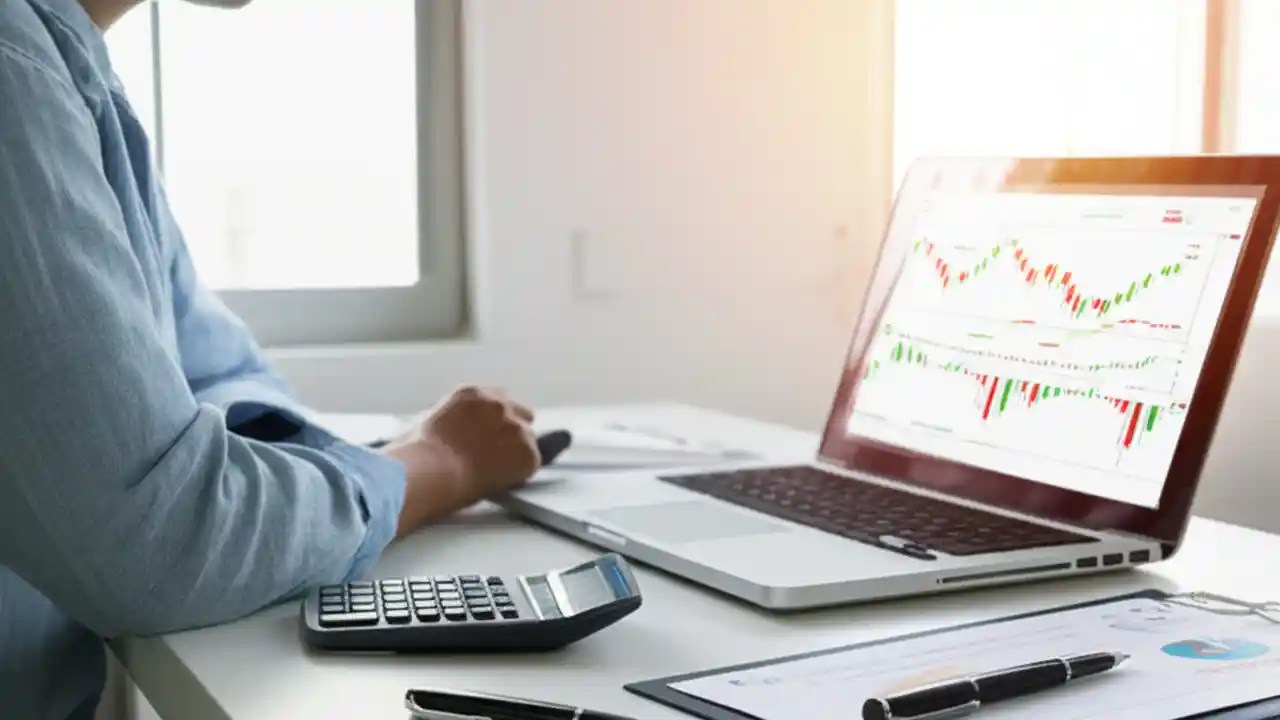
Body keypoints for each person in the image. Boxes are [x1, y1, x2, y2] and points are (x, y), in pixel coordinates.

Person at [0, 1, 543, 718]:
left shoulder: (67, 66)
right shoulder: (15, 70)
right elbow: (152, 543)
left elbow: (222, 375)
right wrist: (438, 467)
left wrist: (304, 482)